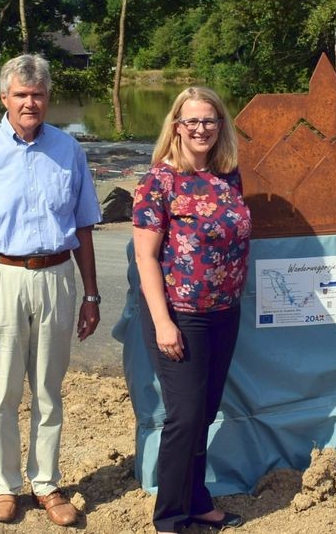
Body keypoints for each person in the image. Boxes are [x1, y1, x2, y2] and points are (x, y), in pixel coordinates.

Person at [0, 53, 102, 525]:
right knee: (3, 389)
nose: (31, 102)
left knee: (49, 389)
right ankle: (6, 485)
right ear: (4, 97)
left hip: (55, 276)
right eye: (22, 94)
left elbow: (85, 228)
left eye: (39, 94)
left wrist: (91, 296)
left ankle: (47, 484)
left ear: (49, 98)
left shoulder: (69, 151)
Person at [132, 86, 252, 533]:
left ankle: (198, 499)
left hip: (225, 313)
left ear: (221, 126)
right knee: (184, 417)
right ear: (176, 127)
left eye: (209, 120)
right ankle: (169, 518)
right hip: (180, 315)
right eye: (191, 121)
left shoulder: (229, 174)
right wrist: (164, 322)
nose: (201, 128)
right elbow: (146, 258)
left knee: (204, 411)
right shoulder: (159, 181)